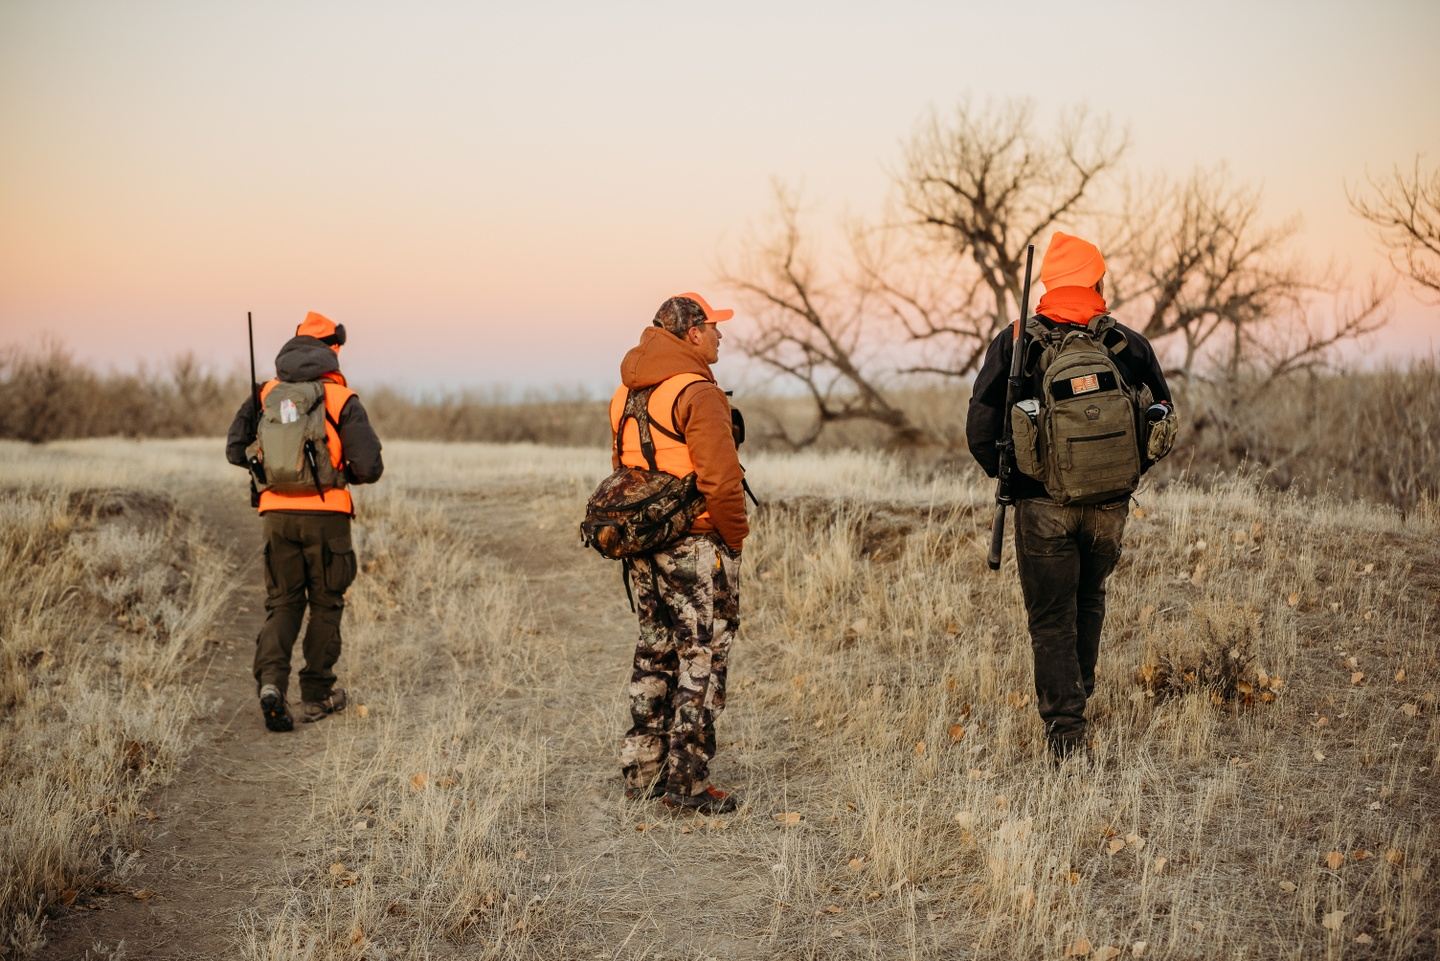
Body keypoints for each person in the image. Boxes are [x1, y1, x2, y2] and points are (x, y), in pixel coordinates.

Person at [967, 233, 1173, 760]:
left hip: (1042, 508)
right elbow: (1160, 420)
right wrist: (1124, 476)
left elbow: (979, 427)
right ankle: (1079, 696)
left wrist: (1016, 478)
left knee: (1050, 616)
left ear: (1049, 283)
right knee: (1088, 599)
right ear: (1097, 280)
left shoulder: (1016, 342)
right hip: (1109, 507)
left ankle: (1066, 733)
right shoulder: (1127, 344)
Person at [613, 293, 749, 814]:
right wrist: (733, 537)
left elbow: (624, 472)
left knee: (654, 648)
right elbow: (721, 479)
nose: (721, 336)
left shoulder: (625, 393)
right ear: (692, 332)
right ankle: (686, 784)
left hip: (644, 544)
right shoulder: (698, 392)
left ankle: (641, 771)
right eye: (715, 327)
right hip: (695, 542)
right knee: (702, 654)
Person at [225, 311, 384, 732]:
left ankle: (272, 685)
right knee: (326, 603)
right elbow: (370, 467)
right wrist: (339, 474)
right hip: (328, 516)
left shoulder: (265, 394)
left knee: (283, 602)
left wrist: (269, 471)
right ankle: (315, 695)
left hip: (276, 514)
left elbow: (234, 450)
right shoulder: (340, 398)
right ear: (333, 347)